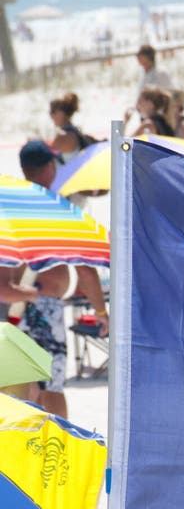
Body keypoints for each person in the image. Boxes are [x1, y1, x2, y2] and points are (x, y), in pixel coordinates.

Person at [0, 141, 109, 420]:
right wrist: (100, 311)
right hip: (42, 309)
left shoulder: (12, 205)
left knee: (23, 387)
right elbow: (85, 270)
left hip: (14, 311)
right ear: (50, 166)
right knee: (51, 387)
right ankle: (56, 442)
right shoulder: (51, 208)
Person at [48, 92, 96, 163]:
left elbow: (43, 157)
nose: (51, 115)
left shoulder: (63, 136)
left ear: (62, 112)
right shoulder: (75, 131)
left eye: (53, 111)